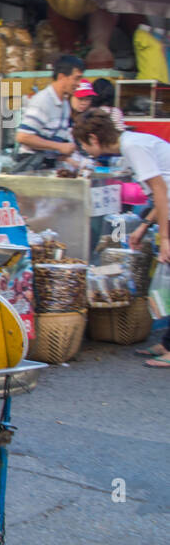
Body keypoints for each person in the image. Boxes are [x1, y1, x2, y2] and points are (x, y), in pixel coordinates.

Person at [72, 111, 170, 367]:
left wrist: (165, 237)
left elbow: (161, 189)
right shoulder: (131, 145)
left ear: (93, 138)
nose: (84, 149)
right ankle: (167, 343)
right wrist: (144, 226)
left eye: (83, 144)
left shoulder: (132, 146)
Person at [14, 54, 85, 164]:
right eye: (76, 78)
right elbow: (23, 137)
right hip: (32, 165)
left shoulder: (65, 104)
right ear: (61, 77)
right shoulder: (43, 100)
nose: (79, 84)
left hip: (48, 164)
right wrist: (59, 146)